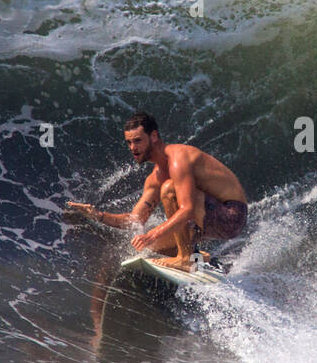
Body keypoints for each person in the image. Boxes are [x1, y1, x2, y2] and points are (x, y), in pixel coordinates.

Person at [66, 112, 248, 272]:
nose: (132, 148)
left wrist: (150, 234)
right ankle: (201, 259)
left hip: (231, 215)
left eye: (137, 140)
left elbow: (188, 209)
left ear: (153, 136)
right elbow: (135, 220)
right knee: (151, 246)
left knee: (169, 189)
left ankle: (185, 259)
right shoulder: (155, 178)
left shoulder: (178, 158)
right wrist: (98, 215)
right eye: (128, 142)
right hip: (207, 216)